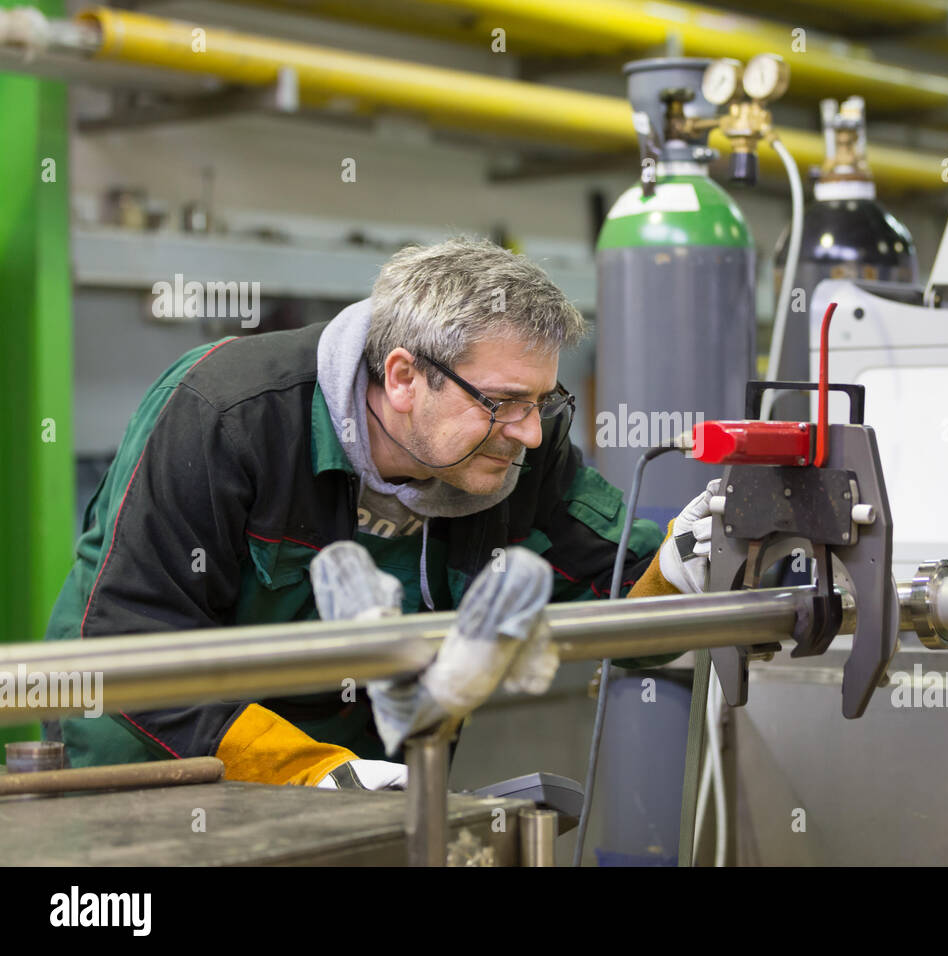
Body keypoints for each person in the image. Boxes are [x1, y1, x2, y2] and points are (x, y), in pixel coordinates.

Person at [43, 237, 712, 788]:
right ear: (401, 378)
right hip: (158, 771)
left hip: (366, 786)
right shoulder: (227, 416)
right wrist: (316, 771)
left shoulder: (515, 450)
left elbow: (625, 600)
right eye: (503, 401)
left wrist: (686, 567)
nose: (530, 432)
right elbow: (127, 643)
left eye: (541, 400)